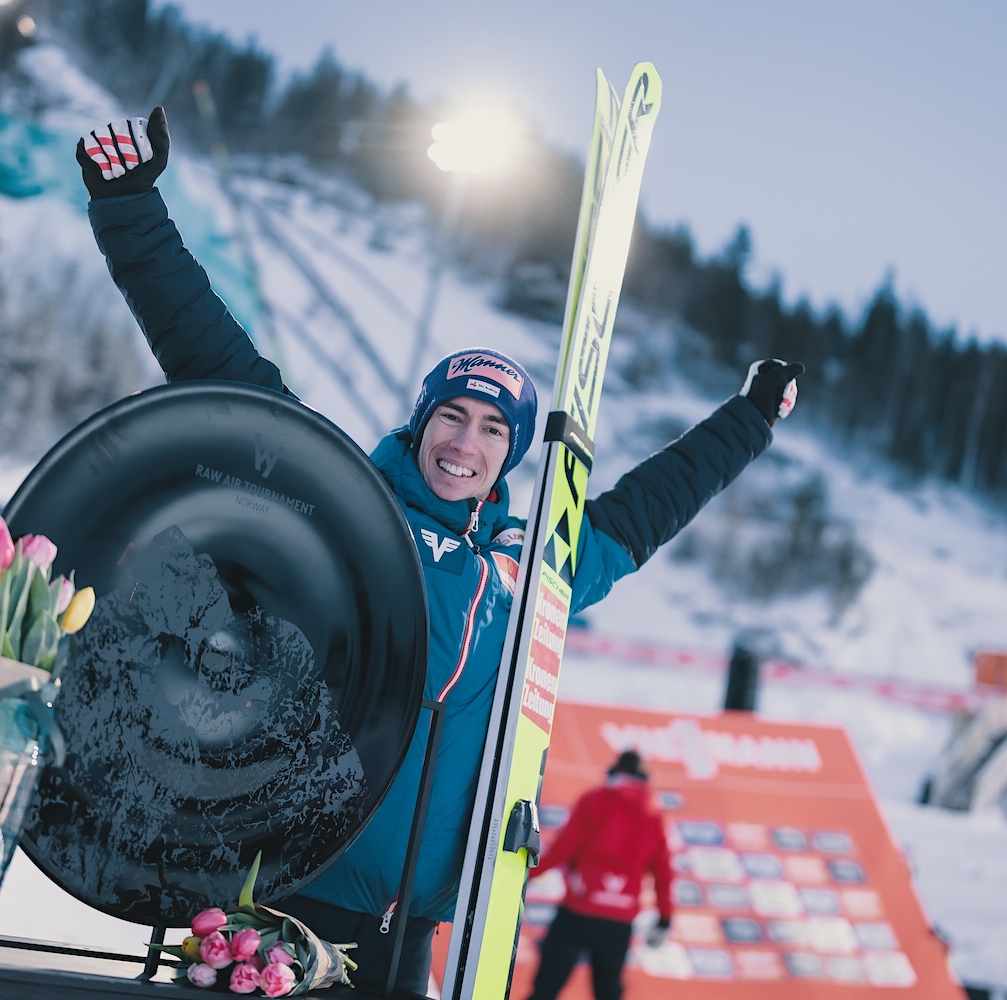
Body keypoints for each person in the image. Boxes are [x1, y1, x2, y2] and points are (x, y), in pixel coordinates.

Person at [76, 108, 802, 995]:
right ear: (422, 423)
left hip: (407, 926)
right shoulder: (344, 503)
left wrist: (750, 421)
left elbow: (646, 511)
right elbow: (220, 367)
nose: (467, 441)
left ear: (513, 453)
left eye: (494, 429)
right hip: (284, 893)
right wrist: (128, 205)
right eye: (452, 415)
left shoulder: (524, 572)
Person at [526, 750, 673, 1000]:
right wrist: (665, 917)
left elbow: (563, 848)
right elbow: (663, 871)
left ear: (615, 772)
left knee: (545, 990)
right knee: (608, 992)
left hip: (578, 911)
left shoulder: (595, 799)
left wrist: (522, 877)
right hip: (619, 919)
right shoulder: (654, 812)